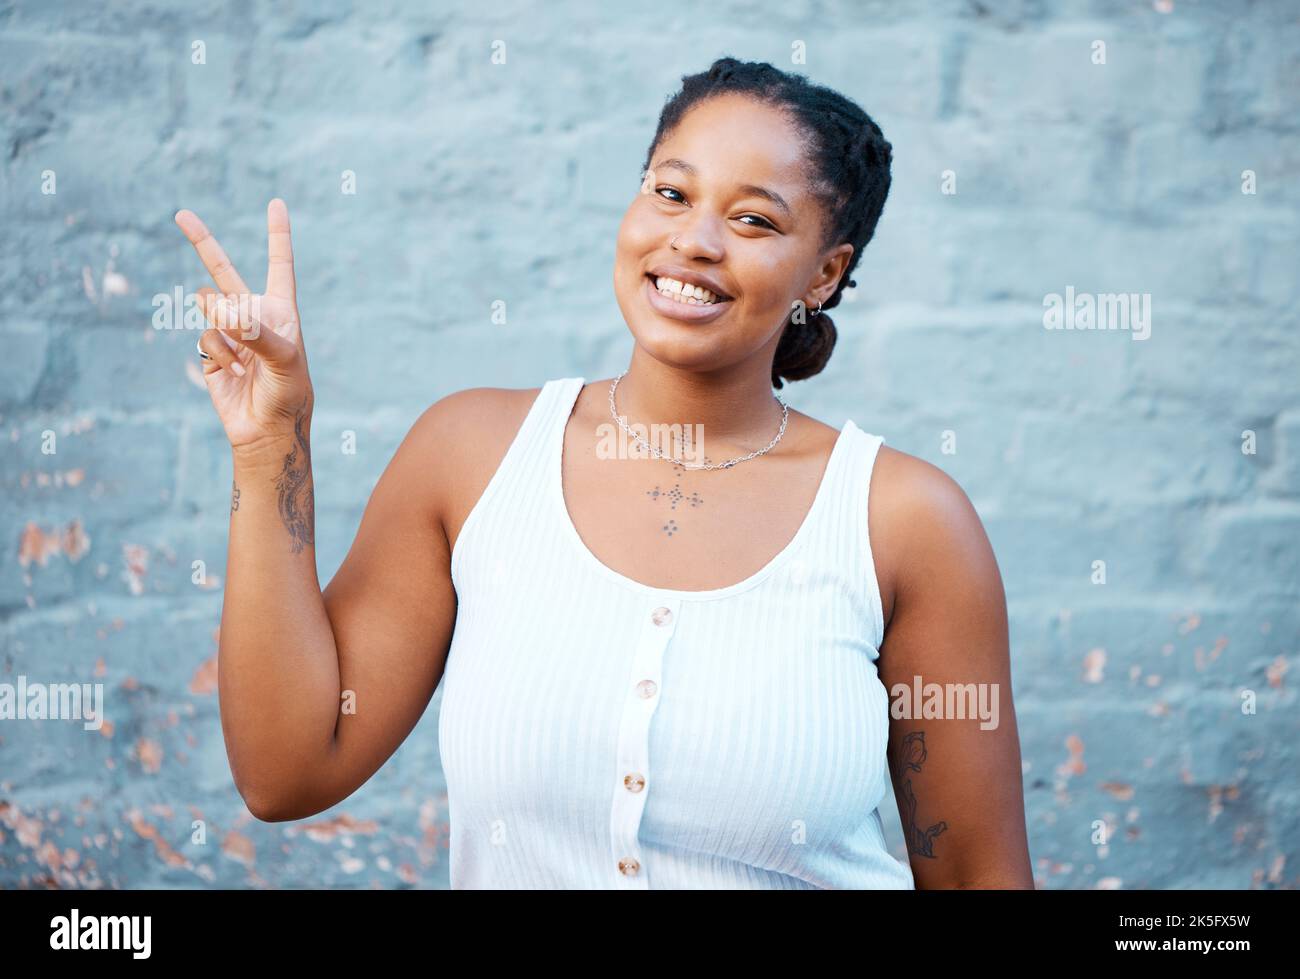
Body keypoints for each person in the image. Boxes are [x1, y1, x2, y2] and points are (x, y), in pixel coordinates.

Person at [175, 57, 1032, 889]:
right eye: (671, 192)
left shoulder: (904, 520)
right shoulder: (470, 455)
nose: (692, 241)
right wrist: (270, 444)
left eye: (754, 221)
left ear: (825, 272)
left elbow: (975, 876)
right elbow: (287, 772)